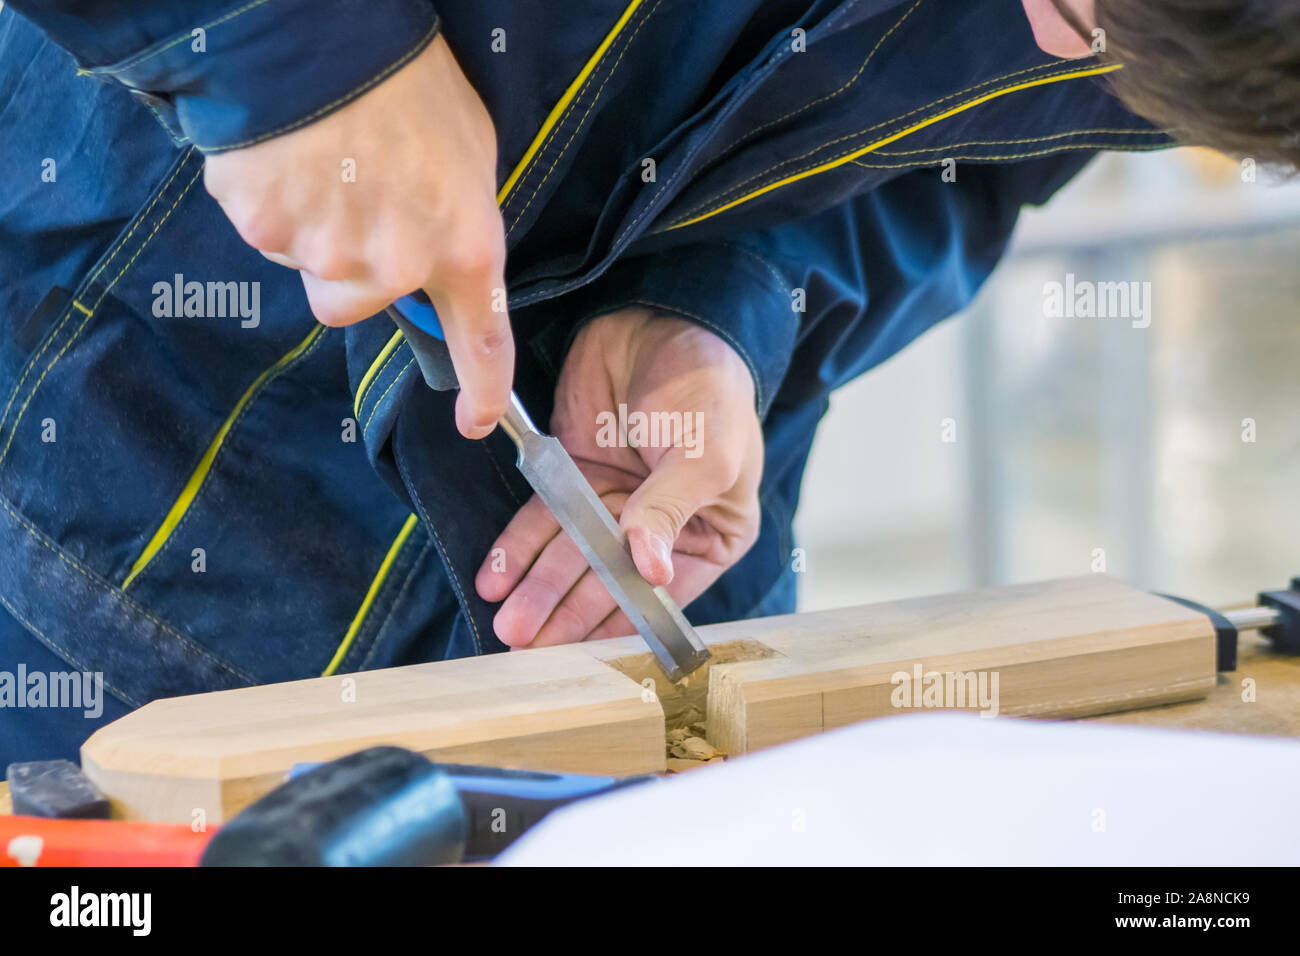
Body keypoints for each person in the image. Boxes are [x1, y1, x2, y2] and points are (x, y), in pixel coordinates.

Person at [0, 0, 1293, 762]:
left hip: (613, 621)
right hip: (103, 447)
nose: (1042, 34)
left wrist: (715, 313)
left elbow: (952, 160)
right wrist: (295, 54)